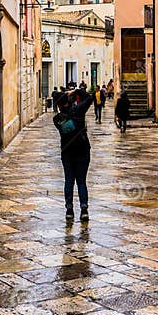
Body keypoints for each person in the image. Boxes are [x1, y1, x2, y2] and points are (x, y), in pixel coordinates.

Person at [53, 87, 94, 221]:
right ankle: (84, 210)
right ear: (70, 101)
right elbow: (89, 98)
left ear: (59, 105)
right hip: (83, 150)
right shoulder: (79, 110)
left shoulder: (57, 119)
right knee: (81, 182)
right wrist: (76, 91)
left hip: (67, 153)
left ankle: (69, 210)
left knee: (69, 181)